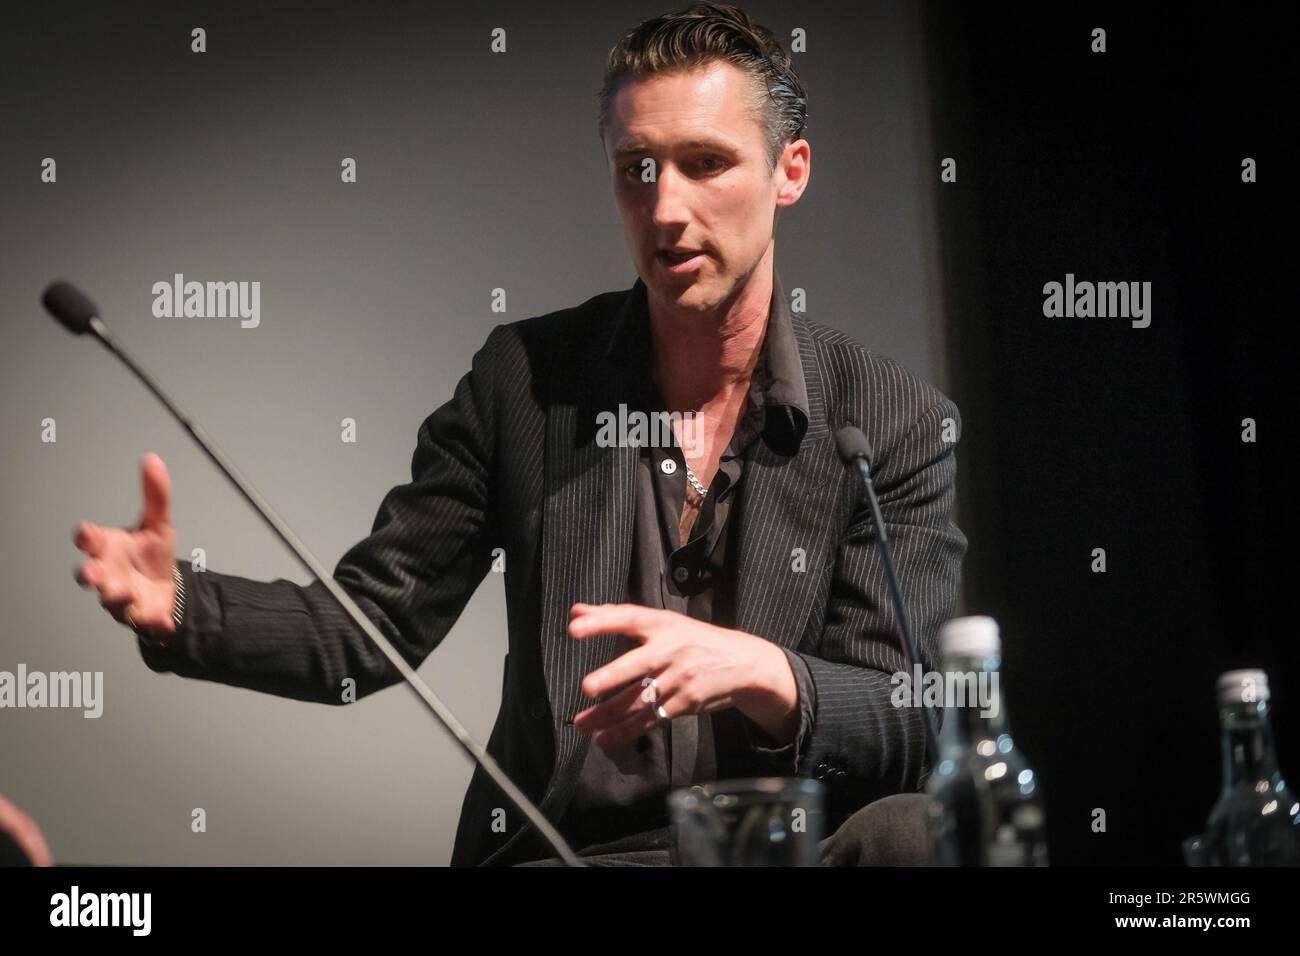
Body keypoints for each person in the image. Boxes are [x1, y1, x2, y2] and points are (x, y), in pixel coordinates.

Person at [73, 2, 964, 866]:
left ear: (789, 172)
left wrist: (764, 671)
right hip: (579, 853)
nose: (666, 211)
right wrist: (182, 608)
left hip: (785, 850)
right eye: (638, 168)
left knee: (920, 832)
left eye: (705, 163)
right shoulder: (527, 385)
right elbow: (373, 626)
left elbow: (911, 717)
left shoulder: (886, 421)